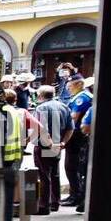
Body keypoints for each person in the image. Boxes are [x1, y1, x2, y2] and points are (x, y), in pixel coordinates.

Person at [32, 85, 71, 214]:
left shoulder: (41, 108)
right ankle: (55, 202)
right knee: (55, 174)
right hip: (58, 145)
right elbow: (71, 128)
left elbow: (40, 129)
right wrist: (63, 142)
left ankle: (44, 205)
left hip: (44, 145)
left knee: (44, 175)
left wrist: (49, 145)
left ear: (41, 96)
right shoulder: (64, 107)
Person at [60, 73, 93, 211]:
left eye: (70, 85)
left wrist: (63, 134)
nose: (68, 88)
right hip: (76, 135)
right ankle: (75, 194)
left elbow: (73, 118)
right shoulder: (79, 97)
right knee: (72, 166)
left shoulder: (82, 98)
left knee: (72, 166)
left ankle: (76, 195)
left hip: (77, 136)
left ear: (79, 84)